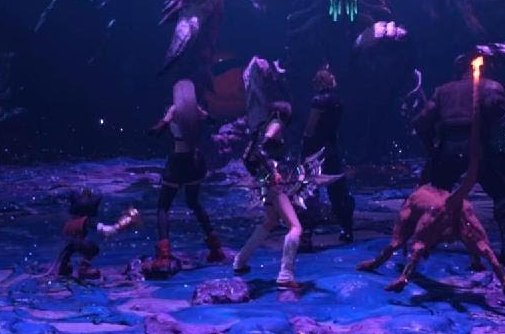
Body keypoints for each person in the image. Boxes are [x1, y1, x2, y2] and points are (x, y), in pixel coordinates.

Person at [412, 56, 505, 265]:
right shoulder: (490, 87)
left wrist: (432, 149)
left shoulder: (443, 91)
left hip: (448, 150)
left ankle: (422, 242)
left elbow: (421, 122)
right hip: (481, 148)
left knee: (434, 194)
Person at [145, 79, 224, 276]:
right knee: (194, 203)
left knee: (163, 206)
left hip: (178, 163)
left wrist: (159, 125)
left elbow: (158, 130)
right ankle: (215, 247)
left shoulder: (174, 110)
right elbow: (212, 120)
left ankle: (164, 254)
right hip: (195, 162)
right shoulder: (195, 110)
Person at [233, 100, 305, 289]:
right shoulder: (276, 125)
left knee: (270, 221)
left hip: (265, 180)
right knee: (295, 227)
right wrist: (273, 172)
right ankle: (285, 275)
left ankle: (240, 261)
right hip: (272, 182)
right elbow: (260, 150)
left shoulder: (264, 126)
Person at [300, 67, 355, 250]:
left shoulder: (318, 101)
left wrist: (304, 148)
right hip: (332, 147)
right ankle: (347, 229)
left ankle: (306, 234)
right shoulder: (338, 100)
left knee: (310, 189)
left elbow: (311, 127)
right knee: (337, 188)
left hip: (315, 149)